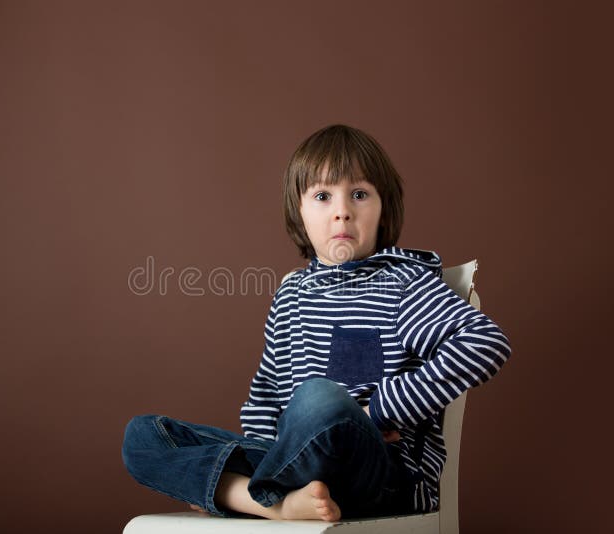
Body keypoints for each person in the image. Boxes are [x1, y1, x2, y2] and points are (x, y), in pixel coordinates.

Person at [122, 124, 512, 521]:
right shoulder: (291, 294)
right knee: (144, 436)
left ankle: (246, 497)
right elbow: (266, 399)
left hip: (378, 473)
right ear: (300, 211)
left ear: (384, 209)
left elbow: (484, 342)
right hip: (298, 466)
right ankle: (275, 503)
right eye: (323, 196)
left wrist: (378, 411)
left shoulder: (402, 283)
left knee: (319, 398)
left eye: (359, 194)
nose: (342, 210)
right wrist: (265, 452)